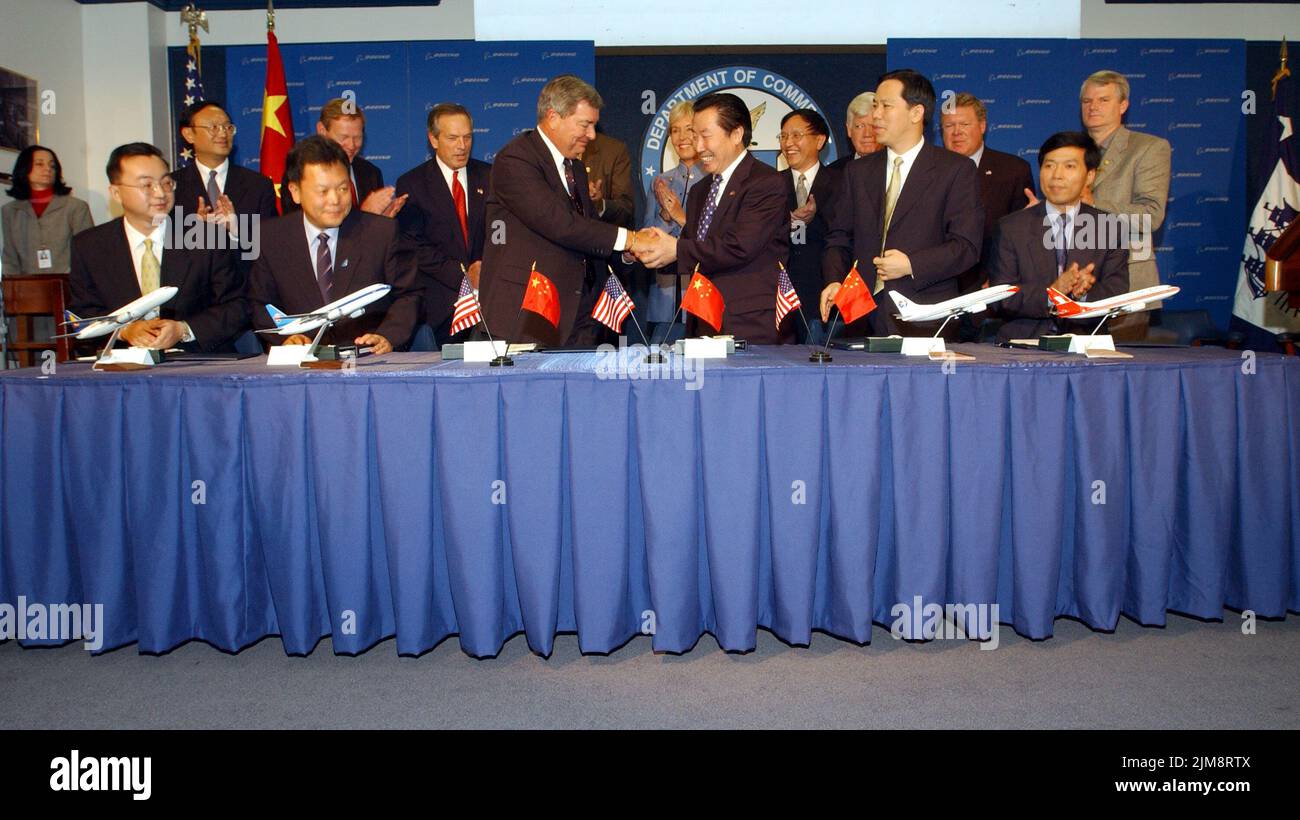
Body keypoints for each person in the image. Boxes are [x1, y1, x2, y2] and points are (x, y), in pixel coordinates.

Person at [478, 75, 640, 346]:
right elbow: (560, 224)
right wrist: (631, 238)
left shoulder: (574, 165)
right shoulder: (516, 160)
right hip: (528, 315)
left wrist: (625, 253)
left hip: (578, 316)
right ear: (553, 117)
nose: (591, 135)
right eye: (585, 124)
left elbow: (584, 232)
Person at [819, 69, 983, 338]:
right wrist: (835, 280)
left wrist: (912, 264)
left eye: (886, 106)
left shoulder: (954, 170)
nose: (876, 115)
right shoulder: (858, 172)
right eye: (875, 106)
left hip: (925, 320)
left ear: (916, 113)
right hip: (860, 318)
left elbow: (966, 247)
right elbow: (839, 237)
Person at [634, 92, 790, 344]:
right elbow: (693, 251)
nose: (698, 147)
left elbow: (739, 246)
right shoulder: (700, 190)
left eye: (705, 136)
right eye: (695, 137)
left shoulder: (766, 183)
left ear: (737, 134)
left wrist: (676, 248)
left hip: (748, 323)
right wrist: (648, 249)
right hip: (701, 320)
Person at [249, 136, 419, 354]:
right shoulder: (270, 237)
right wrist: (286, 336)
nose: (335, 200)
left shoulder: (381, 233)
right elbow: (260, 303)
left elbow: (409, 295)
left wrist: (387, 336)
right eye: (323, 191)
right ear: (295, 191)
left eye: (342, 188)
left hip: (367, 361)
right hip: (301, 366)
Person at [68, 143, 246, 352]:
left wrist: (184, 329)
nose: (160, 193)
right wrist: (125, 330)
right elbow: (82, 315)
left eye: (167, 183)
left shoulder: (206, 237)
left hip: (196, 363)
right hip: (121, 367)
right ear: (116, 193)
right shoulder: (90, 246)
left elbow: (237, 306)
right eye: (146, 185)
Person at [987, 131, 1128, 342]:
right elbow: (1001, 297)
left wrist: (1084, 294)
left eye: (1069, 166)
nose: (1057, 175)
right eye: (1049, 165)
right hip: (1023, 348)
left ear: (1090, 175)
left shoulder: (1109, 227)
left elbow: (1118, 293)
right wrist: (1052, 293)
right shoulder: (1011, 227)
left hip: (1086, 347)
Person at [1079, 69, 1171, 341]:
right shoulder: (1070, 150)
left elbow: (1151, 216)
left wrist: (1095, 202)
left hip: (1127, 285)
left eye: (1103, 100)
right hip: (1073, 284)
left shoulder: (1148, 147)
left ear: (1123, 105)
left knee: (1118, 375)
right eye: (1086, 101)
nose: (1093, 106)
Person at [395, 103, 491, 346]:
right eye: (453, 138)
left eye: (467, 137)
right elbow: (413, 247)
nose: (462, 146)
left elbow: (501, 230)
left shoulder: (491, 176)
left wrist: (485, 268)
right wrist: (462, 276)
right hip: (440, 308)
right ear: (433, 139)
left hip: (490, 301)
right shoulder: (413, 183)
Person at [940, 92, 1034, 294]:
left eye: (964, 124)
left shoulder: (1013, 170)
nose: (957, 132)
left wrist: (1003, 279)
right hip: (939, 290)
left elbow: (1022, 240)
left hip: (991, 290)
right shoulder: (928, 174)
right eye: (949, 126)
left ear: (982, 126)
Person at [638, 101, 706, 344]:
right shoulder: (661, 182)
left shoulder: (715, 180)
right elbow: (646, 238)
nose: (681, 137)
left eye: (689, 129)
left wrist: (678, 214)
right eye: (675, 130)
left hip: (702, 297)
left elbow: (714, 240)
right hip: (665, 296)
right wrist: (665, 217)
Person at [281, 98, 406, 219]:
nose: (351, 145)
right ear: (322, 131)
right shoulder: (302, 172)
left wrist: (382, 219)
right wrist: (366, 214)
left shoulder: (371, 173)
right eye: (343, 137)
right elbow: (303, 230)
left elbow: (372, 231)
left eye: (357, 137)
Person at [780, 108, 842, 343]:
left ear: (819, 140)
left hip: (823, 296)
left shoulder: (842, 181)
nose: (788, 143)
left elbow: (846, 235)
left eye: (796, 136)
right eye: (784, 136)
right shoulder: (770, 185)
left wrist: (818, 216)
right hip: (781, 299)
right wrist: (791, 222)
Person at [171, 100, 278, 232]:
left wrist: (236, 230)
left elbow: (271, 242)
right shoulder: (172, 187)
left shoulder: (258, 186)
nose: (223, 134)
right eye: (214, 127)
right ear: (189, 134)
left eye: (228, 128)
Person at [2, 145, 93, 275]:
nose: (47, 169)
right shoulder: (10, 211)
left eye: (52, 166)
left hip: (69, 286)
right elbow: (9, 257)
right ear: (24, 168)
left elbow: (88, 253)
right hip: (27, 289)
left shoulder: (76, 207)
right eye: (39, 164)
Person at [580, 131, 635, 229]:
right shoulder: (546, 150)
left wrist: (599, 205)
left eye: (592, 123)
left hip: (596, 237)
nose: (592, 133)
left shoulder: (613, 150)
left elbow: (626, 211)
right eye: (584, 124)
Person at [827, 91, 881, 173]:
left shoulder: (896, 169)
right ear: (849, 130)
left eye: (873, 126)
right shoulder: (833, 173)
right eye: (859, 126)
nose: (867, 134)